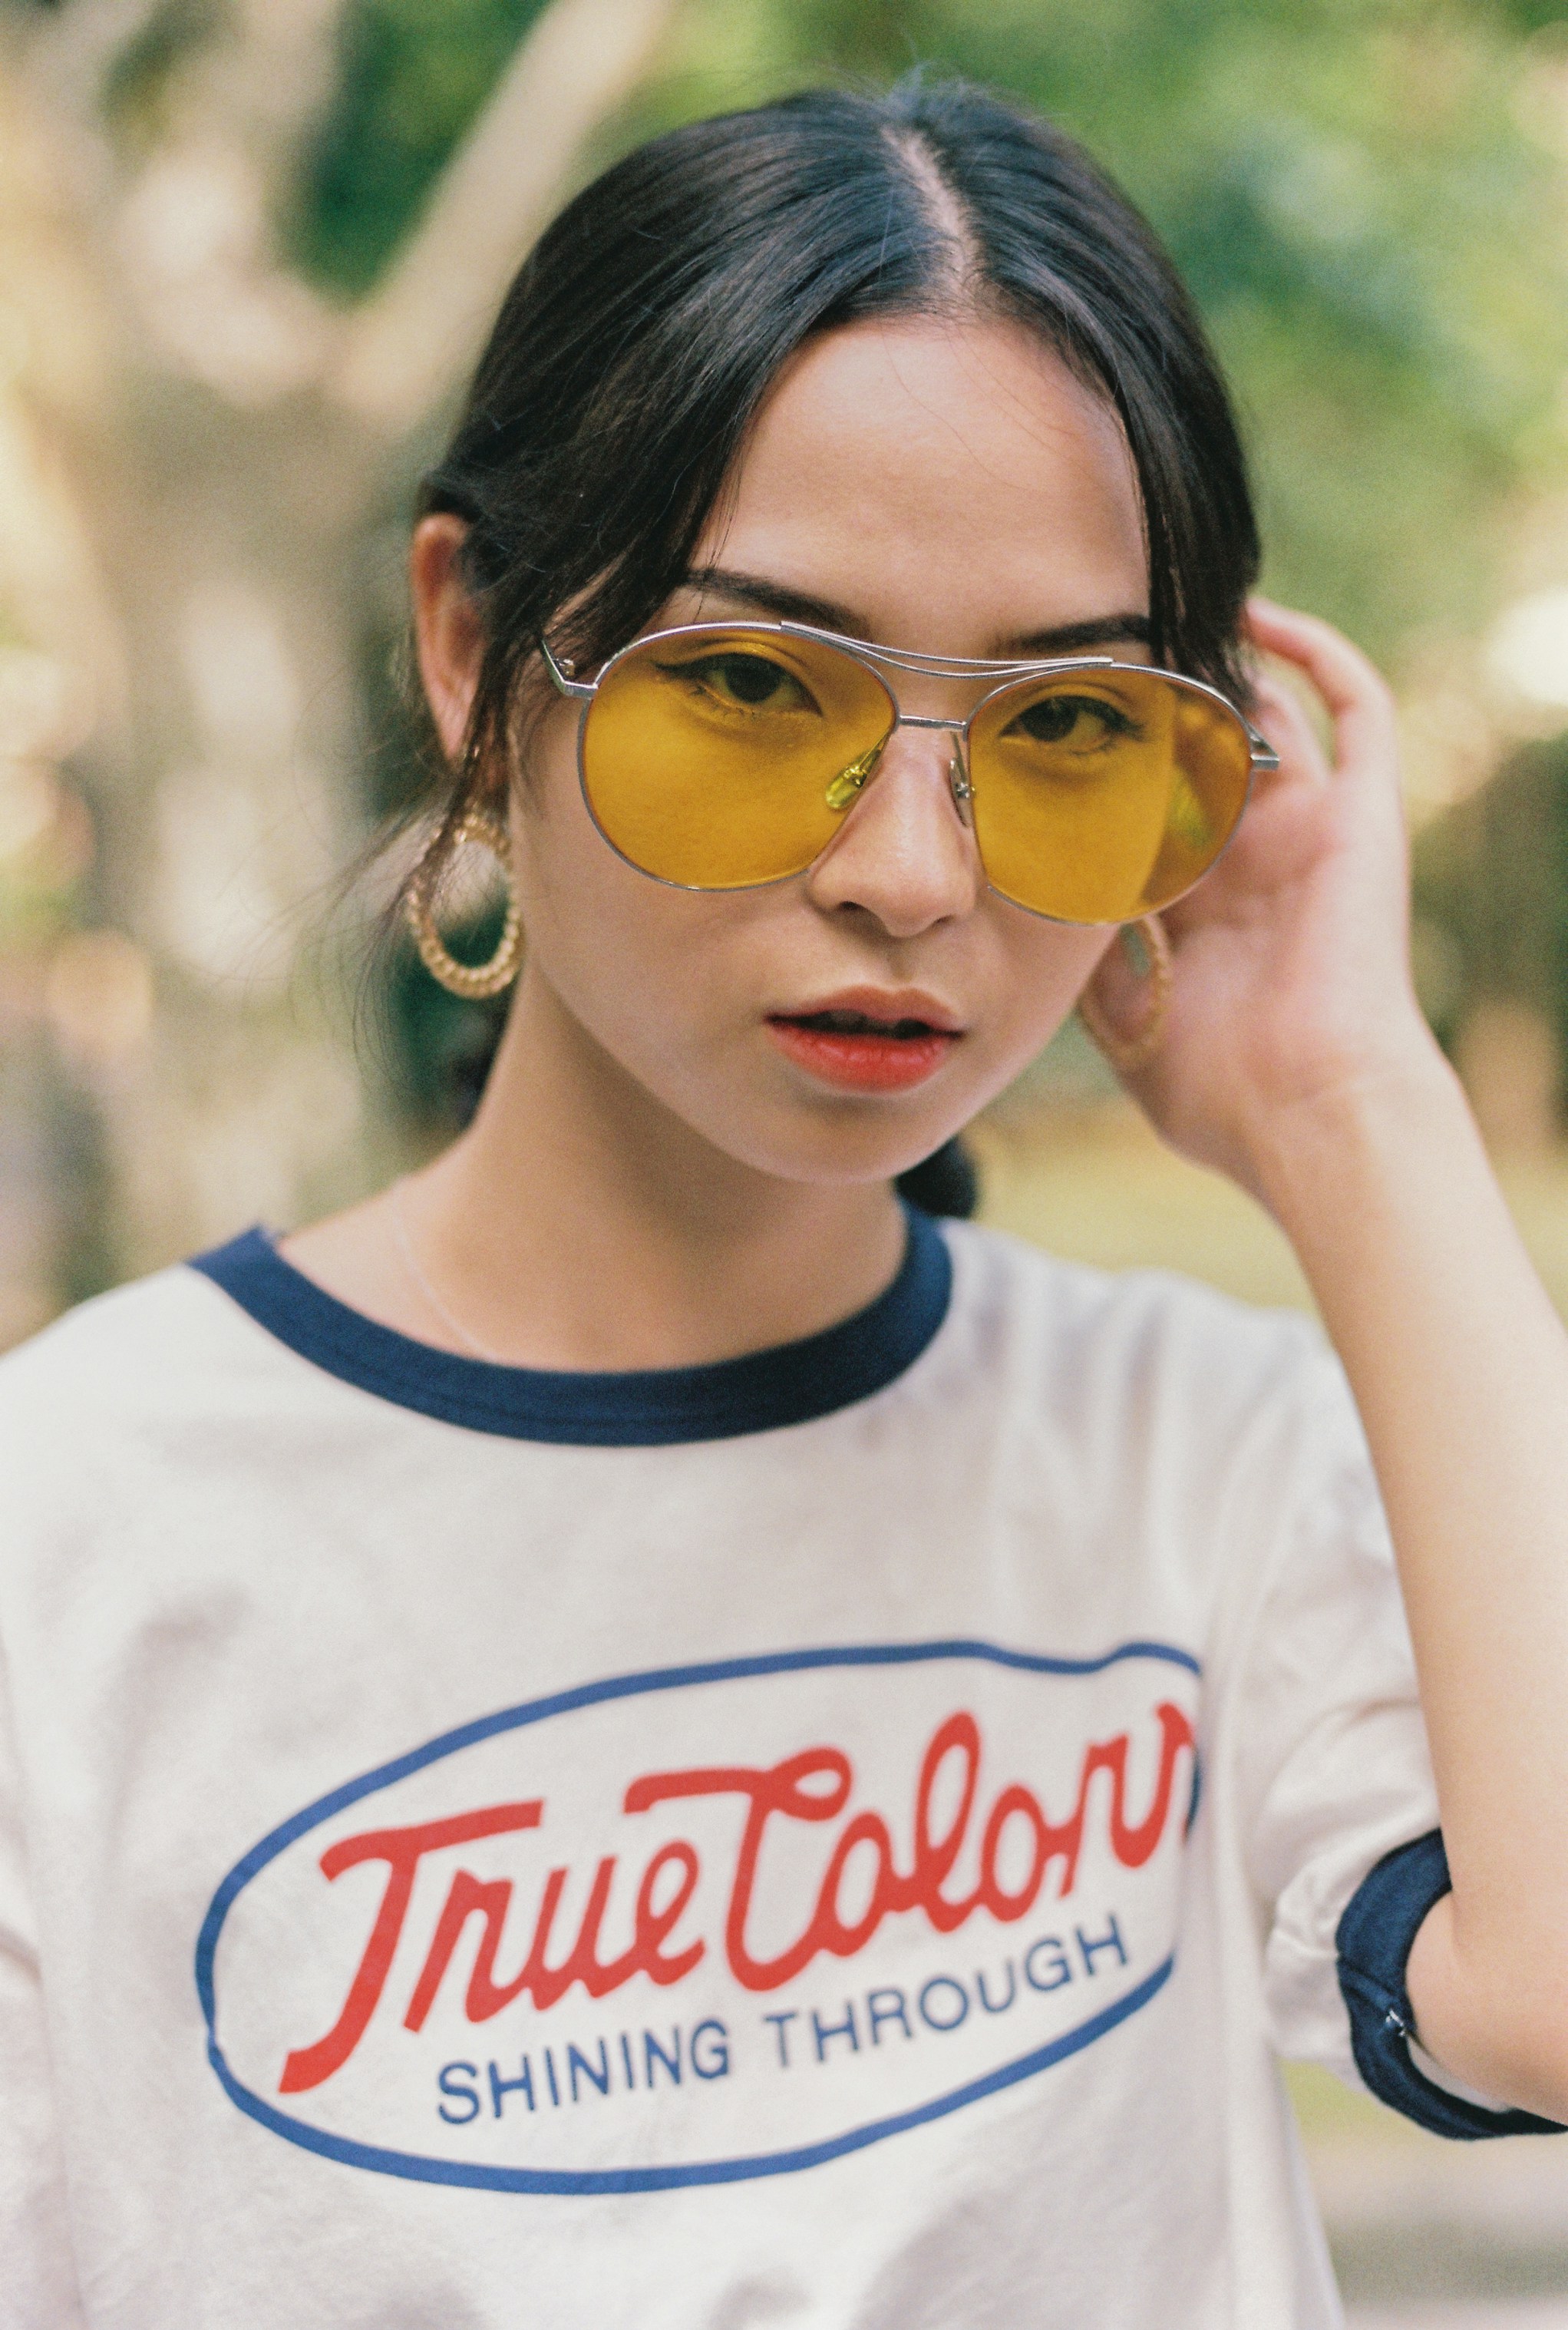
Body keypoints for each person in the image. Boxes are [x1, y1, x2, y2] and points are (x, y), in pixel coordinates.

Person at [5, 75, 1568, 2330]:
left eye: (1059, 726)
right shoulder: (64, 1534)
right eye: (748, 680)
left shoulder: (1199, 1462)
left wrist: (1350, 1107)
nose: (908, 874)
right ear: (473, 646)